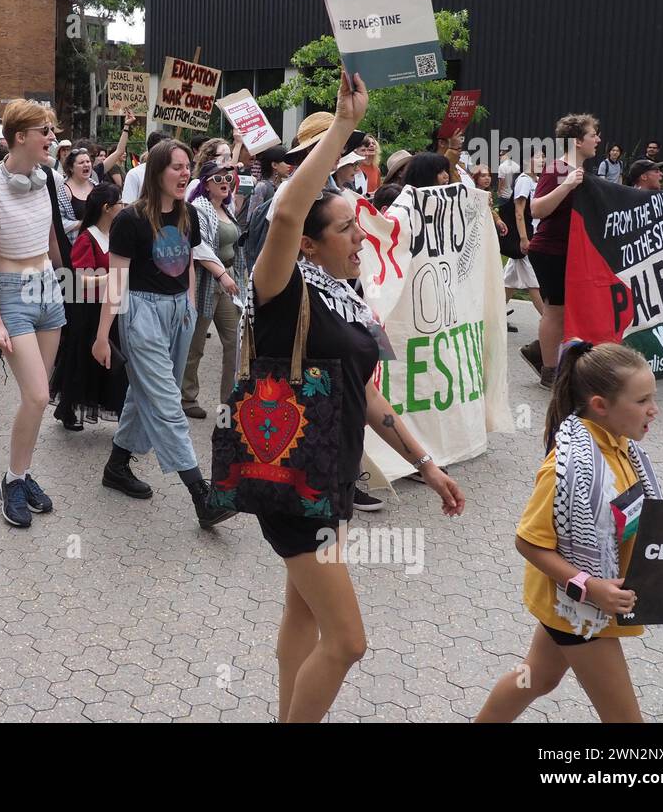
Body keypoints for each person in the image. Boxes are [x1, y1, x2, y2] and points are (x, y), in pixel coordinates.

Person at [251, 68, 464, 723]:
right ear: (309, 244)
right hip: (291, 480)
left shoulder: (348, 293)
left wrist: (425, 463)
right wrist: (342, 123)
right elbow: (288, 209)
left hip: (331, 476)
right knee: (347, 641)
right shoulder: (283, 288)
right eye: (345, 228)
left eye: (359, 223)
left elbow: (365, 395)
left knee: (302, 613)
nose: (360, 236)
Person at [475, 341, 663, 723]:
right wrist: (589, 586)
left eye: (653, 397)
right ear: (600, 405)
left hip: (577, 603)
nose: (654, 409)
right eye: (642, 401)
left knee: (535, 680)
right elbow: (527, 541)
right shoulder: (568, 468)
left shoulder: (623, 449)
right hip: (579, 608)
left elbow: (638, 529)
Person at [92, 139, 233, 528]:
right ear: (156, 172)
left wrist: (188, 305)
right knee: (168, 401)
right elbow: (116, 282)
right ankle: (201, 495)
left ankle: (117, 466)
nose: (185, 173)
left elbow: (188, 261)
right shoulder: (129, 220)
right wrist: (103, 336)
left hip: (177, 313)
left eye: (188, 166)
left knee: (145, 393)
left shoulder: (187, 214)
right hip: (140, 313)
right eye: (177, 167)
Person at [0, 100, 66, 528]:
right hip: (12, 295)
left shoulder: (46, 178)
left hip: (49, 289)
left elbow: (51, 238)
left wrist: (66, 285)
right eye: (44, 131)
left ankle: (22, 474)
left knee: (40, 396)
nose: (51, 137)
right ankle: (11, 482)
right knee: (38, 395)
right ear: (20, 137)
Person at [528, 114, 601, 388]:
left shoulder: (584, 174)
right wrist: (568, 184)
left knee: (571, 309)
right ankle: (549, 372)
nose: (598, 139)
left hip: (572, 251)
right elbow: (538, 209)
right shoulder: (557, 169)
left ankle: (544, 353)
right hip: (550, 250)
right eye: (594, 134)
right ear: (579, 140)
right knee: (555, 311)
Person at [50, 183, 127, 431]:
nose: (123, 206)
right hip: (88, 309)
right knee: (81, 360)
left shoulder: (116, 234)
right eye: (119, 203)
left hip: (110, 306)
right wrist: (109, 278)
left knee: (110, 361)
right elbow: (78, 278)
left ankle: (120, 409)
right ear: (107, 208)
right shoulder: (87, 238)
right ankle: (67, 407)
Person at [180, 161, 243, 418]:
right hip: (206, 280)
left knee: (234, 344)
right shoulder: (198, 209)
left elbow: (237, 247)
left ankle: (228, 404)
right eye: (218, 179)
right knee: (195, 344)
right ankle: (186, 398)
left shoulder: (228, 210)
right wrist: (221, 275)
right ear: (206, 184)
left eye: (228, 178)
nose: (225, 182)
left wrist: (237, 276)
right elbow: (200, 247)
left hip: (228, 277)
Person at [502, 158, 544, 328]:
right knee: (534, 283)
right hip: (526, 238)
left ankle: (490, 316)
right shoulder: (524, 181)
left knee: (509, 281)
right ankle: (553, 323)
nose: (543, 160)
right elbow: (519, 211)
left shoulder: (537, 180)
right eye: (539, 156)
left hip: (533, 234)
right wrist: (524, 238)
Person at [57, 147, 98, 242]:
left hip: (99, 243)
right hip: (75, 244)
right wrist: (83, 223)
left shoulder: (97, 186)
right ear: (71, 168)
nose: (86, 165)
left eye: (88, 161)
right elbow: (58, 222)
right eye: (81, 163)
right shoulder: (62, 189)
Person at [120, 130, 167, 204]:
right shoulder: (135, 174)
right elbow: (127, 205)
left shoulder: (174, 174)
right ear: (151, 151)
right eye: (164, 151)